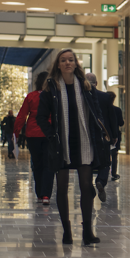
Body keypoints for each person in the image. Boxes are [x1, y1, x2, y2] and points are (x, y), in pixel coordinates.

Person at [36, 50, 110, 246]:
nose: (67, 63)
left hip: (84, 142)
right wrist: (52, 135)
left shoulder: (86, 86)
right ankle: (67, 231)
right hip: (61, 144)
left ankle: (87, 231)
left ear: (76, 63)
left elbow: (97, 113)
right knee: (61, 187)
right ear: (58, 65)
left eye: (71, 60)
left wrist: (101, 132)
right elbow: (40, 117)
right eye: (63, 60)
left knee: (86, 185)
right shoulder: (51, 88)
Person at [15, 71, 53, 206]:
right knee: (48, 165)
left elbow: (22, 115)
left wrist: (16, 133)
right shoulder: (53, 96)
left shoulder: (31, 96)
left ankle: (39, 194)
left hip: (33, 134)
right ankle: (46, 195)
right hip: (49, 133)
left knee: (37, 164)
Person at [85, 73, 115, 202]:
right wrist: (113, 135)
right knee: (105, 162)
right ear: (96, 83)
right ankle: (101, 181)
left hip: (86, 136)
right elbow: (111, 117)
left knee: (87, 163)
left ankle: (89, 187)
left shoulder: (81, 96)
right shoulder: (105, 97)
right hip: (103, 135)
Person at [107, 92, 124, 181]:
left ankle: (104, 172)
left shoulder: (102, 109)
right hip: (115, 134)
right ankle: (113, 173)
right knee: (114, 155)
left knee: (105, 154)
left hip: (105, 134)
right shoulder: (117, 110)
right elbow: (121, 123)